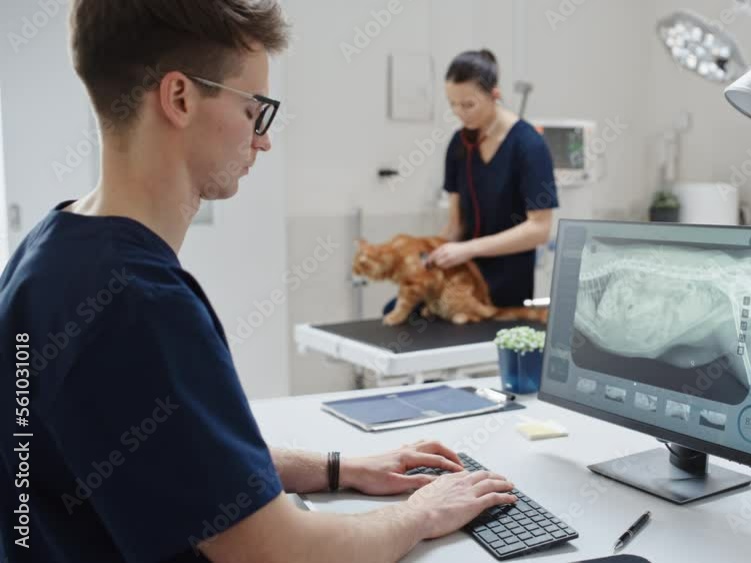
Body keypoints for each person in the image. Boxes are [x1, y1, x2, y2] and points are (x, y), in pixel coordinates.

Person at [0, 2, 515, 562]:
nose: (263, 140)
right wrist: (420, 513)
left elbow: (180, 455)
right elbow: (278, 554)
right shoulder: (138, 305)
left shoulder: (49, 251)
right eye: (254, 111)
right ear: (180, 98)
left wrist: (340, 469)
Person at [383, 49, 558, 319]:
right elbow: (456, 226)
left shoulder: (528, 146)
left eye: (468, 105)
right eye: (452, 104)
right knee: (399, 308)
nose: (459, 113)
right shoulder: (459, 145)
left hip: (504, 281)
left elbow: (540, 229)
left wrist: (468, 250)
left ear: (494, 95)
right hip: (460, 272)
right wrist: (428, 258)